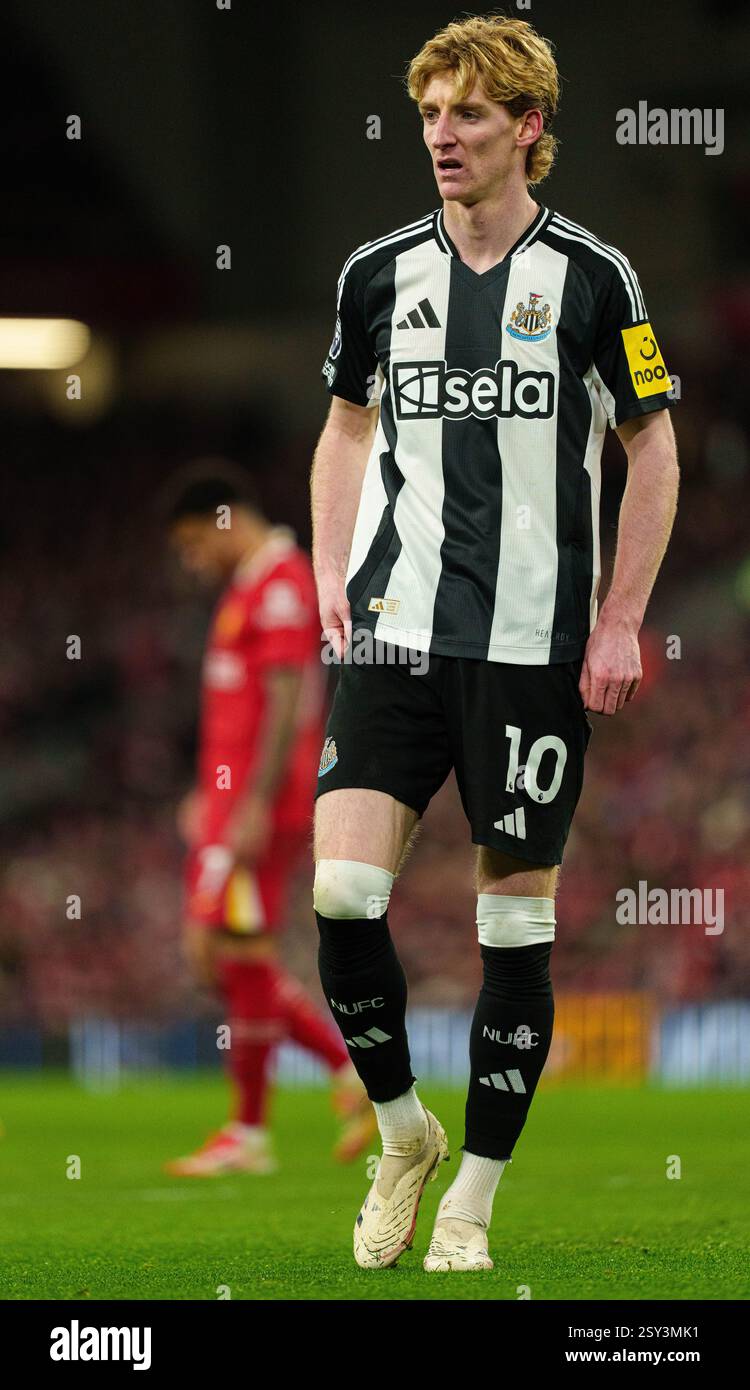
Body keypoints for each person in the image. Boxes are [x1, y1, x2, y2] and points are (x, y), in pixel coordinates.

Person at [311, 14, 679, 1269]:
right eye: (428, 115)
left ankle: (469, 1196)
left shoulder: (595, 277)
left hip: (531, 647)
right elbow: (347, 427)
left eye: (467, 114)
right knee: (340, 893)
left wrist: (621, 614)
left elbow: (652, 445)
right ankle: (402, 1130)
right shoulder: (377, 275)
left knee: (510, 932)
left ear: (528, 126)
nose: (441, 137)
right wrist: (327, 566)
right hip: (394, 636)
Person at [163, 460, 376, 1175]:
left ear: (222, 519)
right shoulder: (248, 589)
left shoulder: (282, 583)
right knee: (224, 952)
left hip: (257, 807)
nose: (193, 561)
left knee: (220, 947)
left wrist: (250, 803)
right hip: (230, 804)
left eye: (193, 543)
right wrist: (210, 793)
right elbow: (239, 707)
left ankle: (270, 1118)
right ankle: (318, 1088)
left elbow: (290, 697)